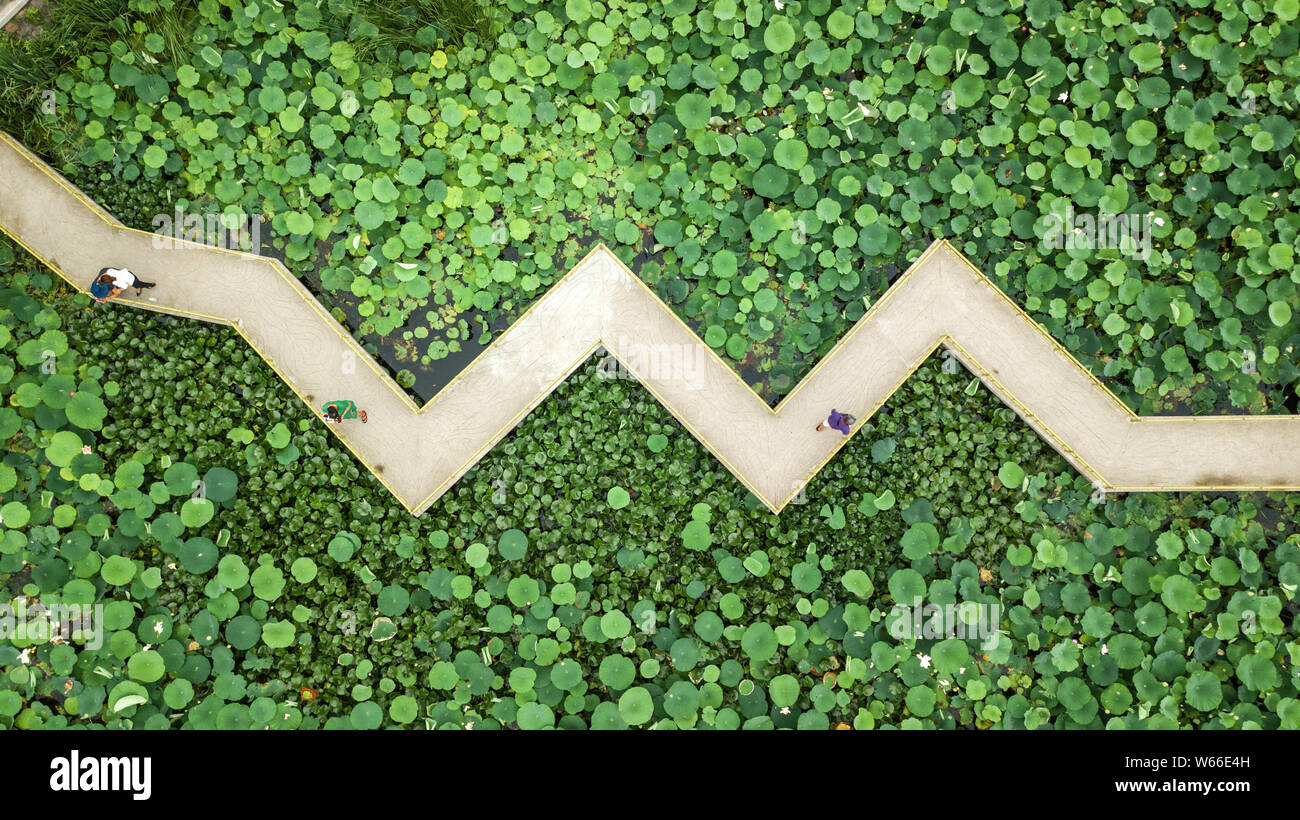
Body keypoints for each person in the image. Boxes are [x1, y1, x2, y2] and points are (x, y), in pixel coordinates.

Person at [91, 267, 155, 303]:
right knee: (135, 281)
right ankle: (138, 287)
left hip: (131, 280)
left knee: (138, 284)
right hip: (127, 273)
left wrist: (119, 290)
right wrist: (100, 278)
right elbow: (105, 274)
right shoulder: (108, 273)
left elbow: (128, 286)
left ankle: (147, 285)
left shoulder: (117, 283)